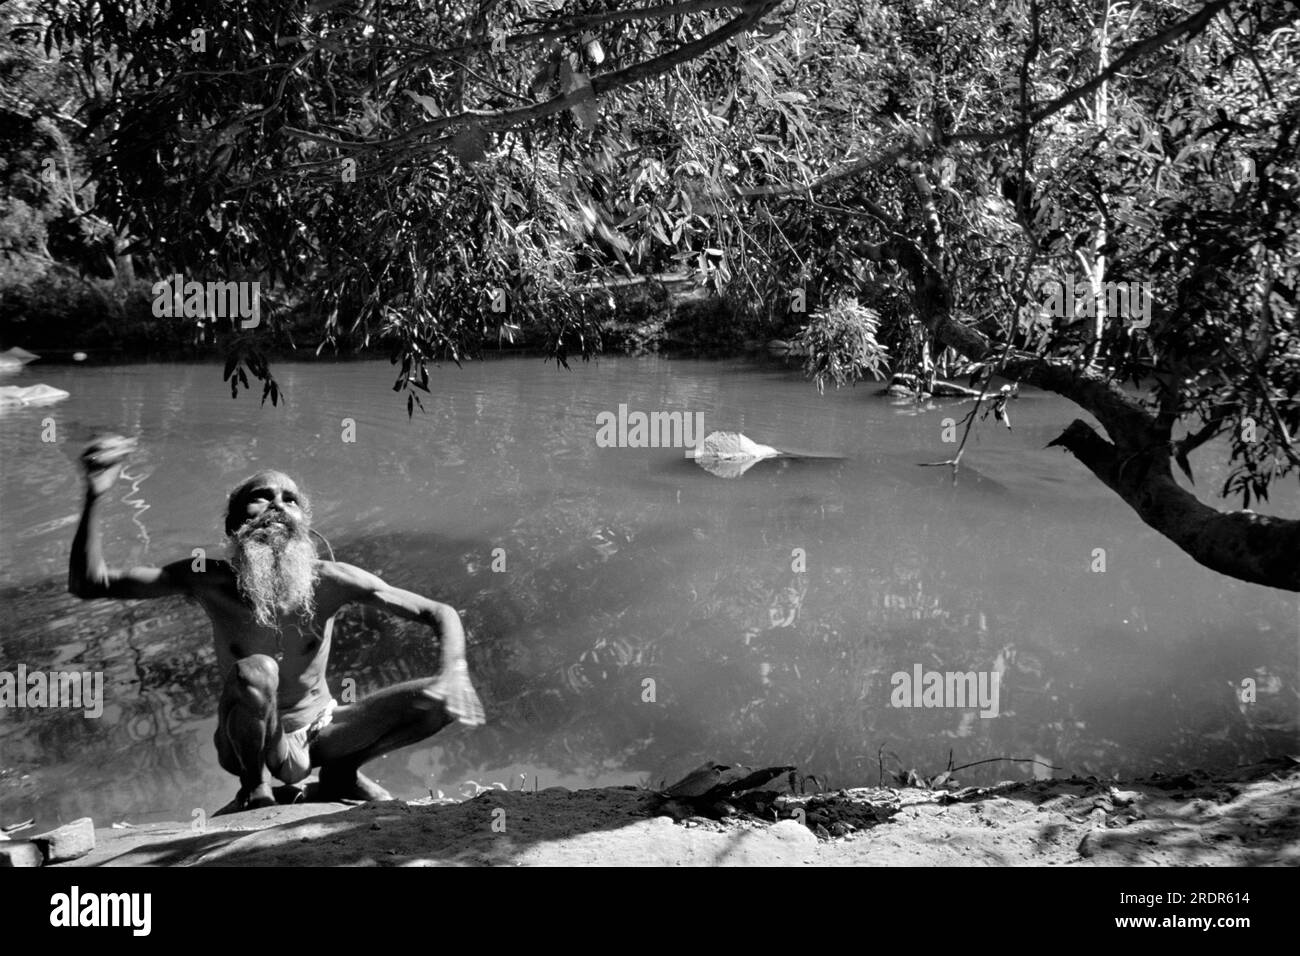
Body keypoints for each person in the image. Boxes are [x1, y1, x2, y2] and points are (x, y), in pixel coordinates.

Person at [68, 434, 485, 813]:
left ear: (304, 522)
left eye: (290, 499)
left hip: (322, 729)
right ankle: (254, 787)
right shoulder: (207, 580)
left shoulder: (332, 581)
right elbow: (91, 584)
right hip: (244, 738)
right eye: (261, 497)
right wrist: (95, 494)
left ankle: (341, 773)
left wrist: (454, 672)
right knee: (257, 670)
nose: (277, 505)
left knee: (440, 698)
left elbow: (438, 612)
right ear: (235, 524)